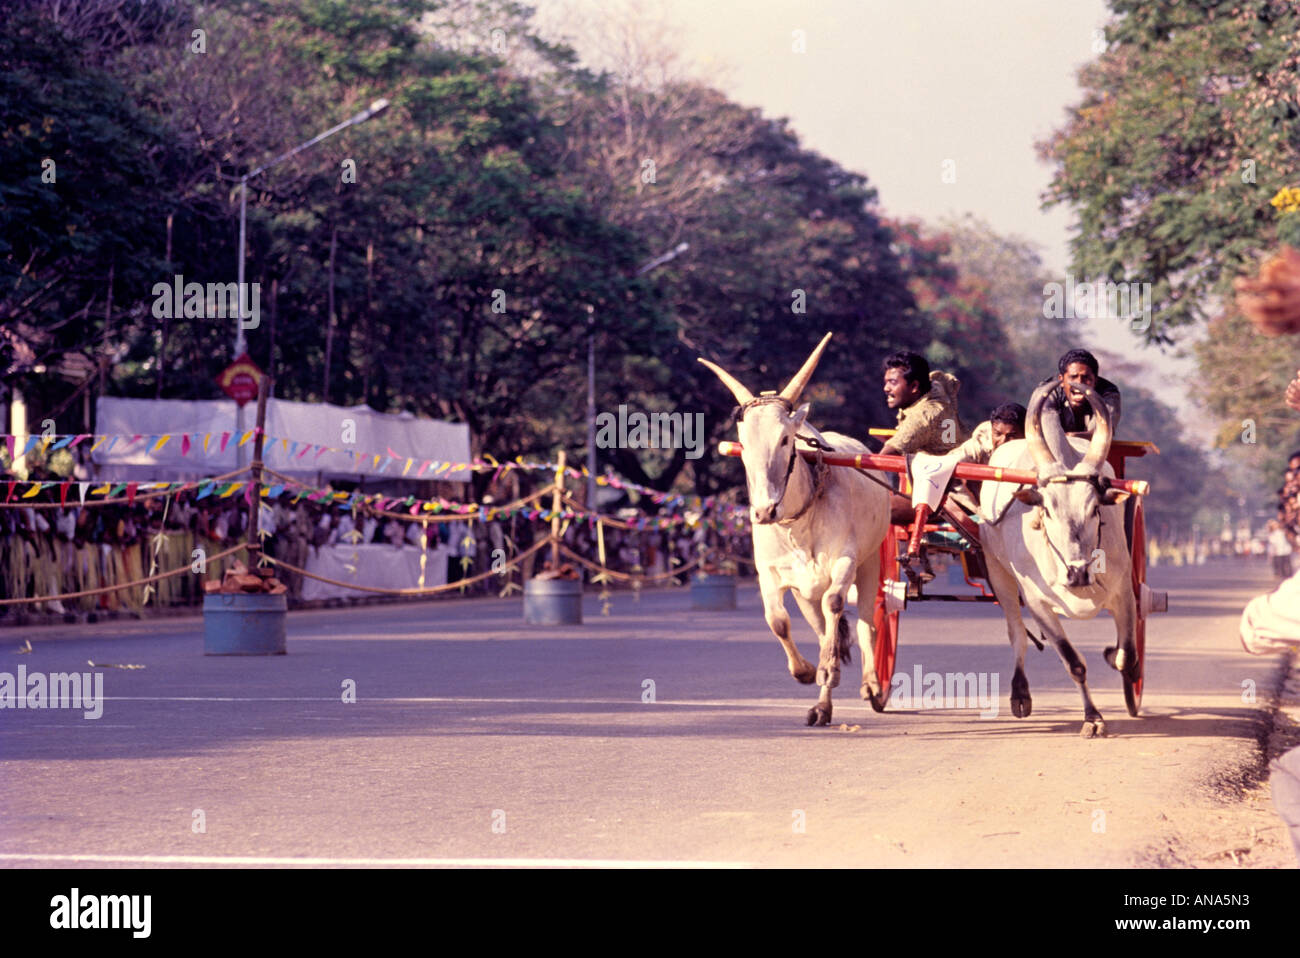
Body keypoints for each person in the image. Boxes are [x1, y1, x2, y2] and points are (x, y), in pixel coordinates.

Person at [879, 351, 968, 456]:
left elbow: (888, 454)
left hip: (944, 470)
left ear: (914, 387)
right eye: (886, 382)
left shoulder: (926, 414)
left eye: (893, 382)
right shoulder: (936, 400)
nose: (886, 388)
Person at [1037, 348, 1122, 436]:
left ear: (1095, 381)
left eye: (1086, 377)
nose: (1079, 383)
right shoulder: (1047, 391)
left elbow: (1102, 433)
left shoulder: (1108, 394)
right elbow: (1048, 429)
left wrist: (1073, 437)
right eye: (1073, 377)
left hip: (1088, 447)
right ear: (1061, 380)